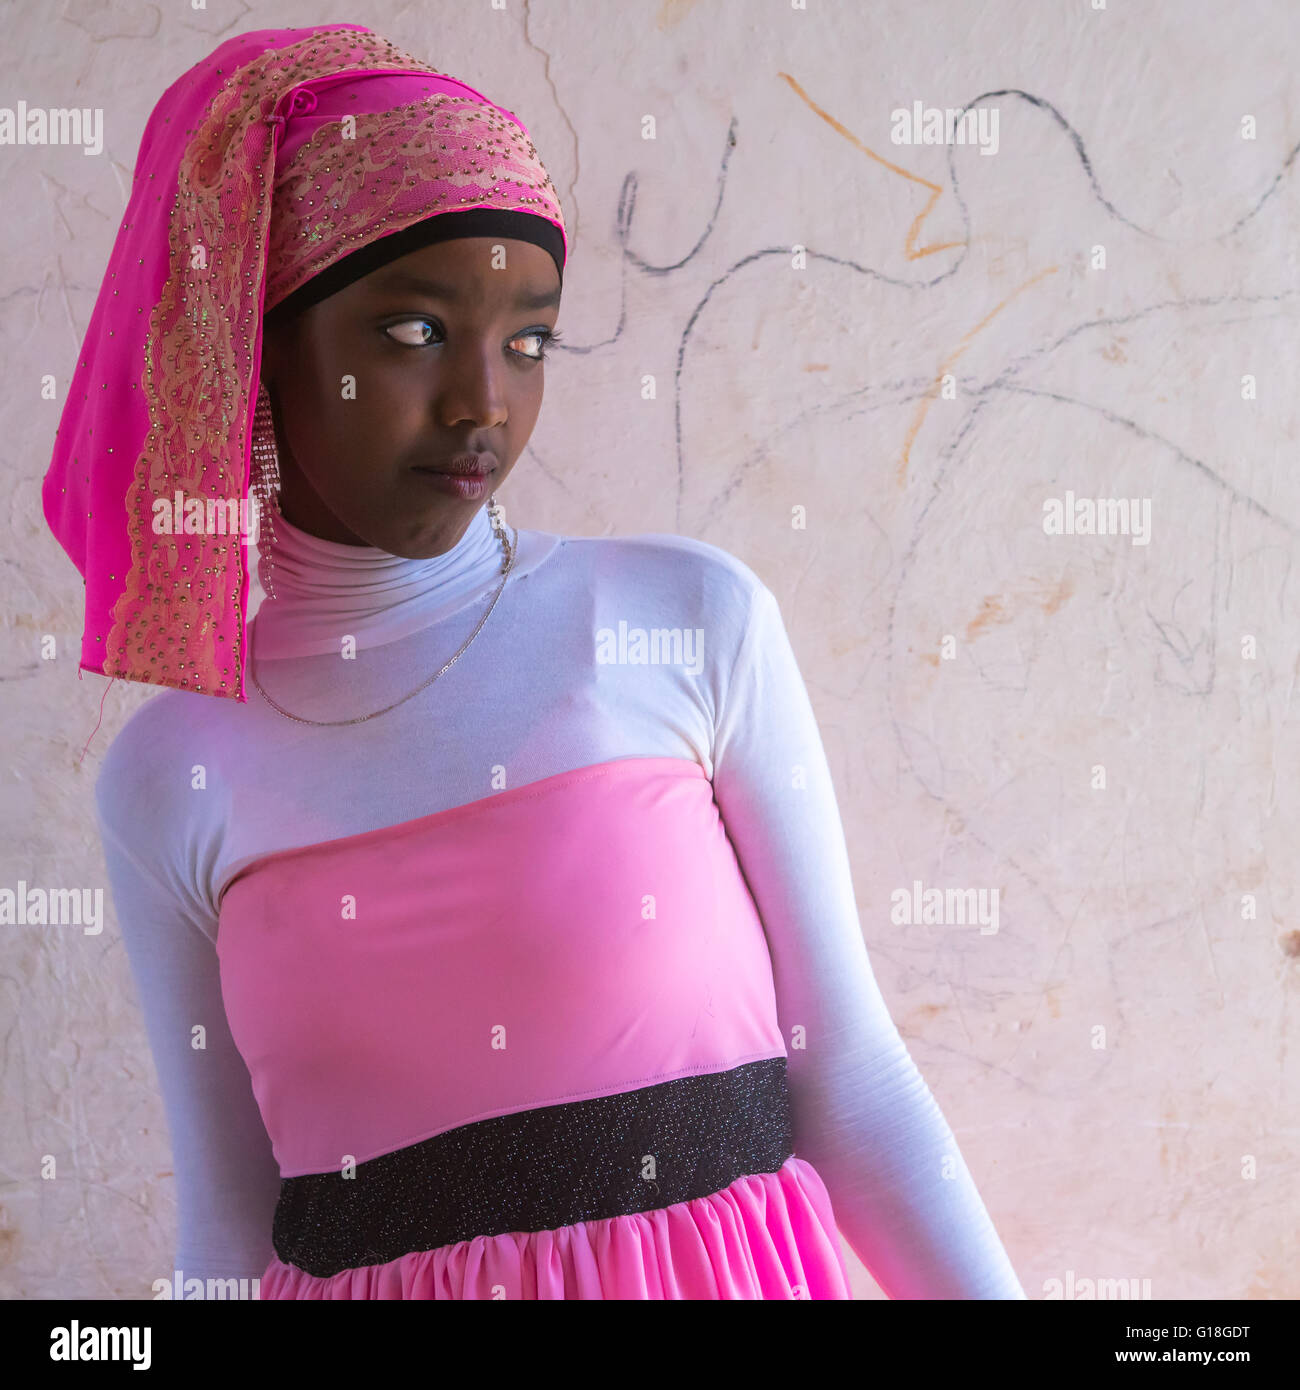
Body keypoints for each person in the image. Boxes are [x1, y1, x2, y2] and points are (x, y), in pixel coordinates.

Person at [43, 22, 1025, 1300]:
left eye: (528, 339)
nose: (481, 404)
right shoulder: (171, 775)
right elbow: (230, 1220)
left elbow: (851, 1078)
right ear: (258, 350)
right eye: (411, 332)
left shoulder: (681, 621)